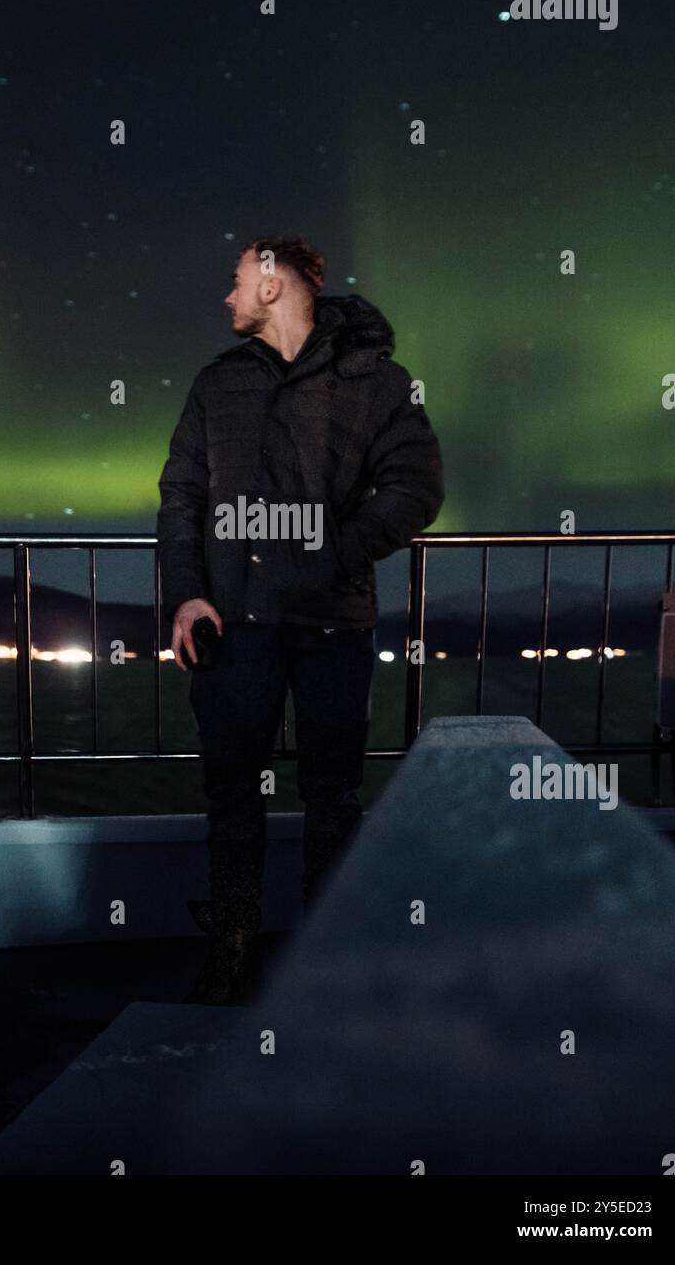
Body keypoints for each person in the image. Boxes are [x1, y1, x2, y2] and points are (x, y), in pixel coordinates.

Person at [157, 234, 444, 1003]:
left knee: (332, 794)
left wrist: (330, 555)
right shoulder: (217, 385)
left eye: (238, 280)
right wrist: (186, 592)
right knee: (231, 792)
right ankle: (233, 943)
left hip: (332, 624)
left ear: (275, 283)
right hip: (233, 625)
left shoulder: (378, 385)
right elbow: (181, 494)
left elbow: (415, 488)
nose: (228, 296)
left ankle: (326, 955)